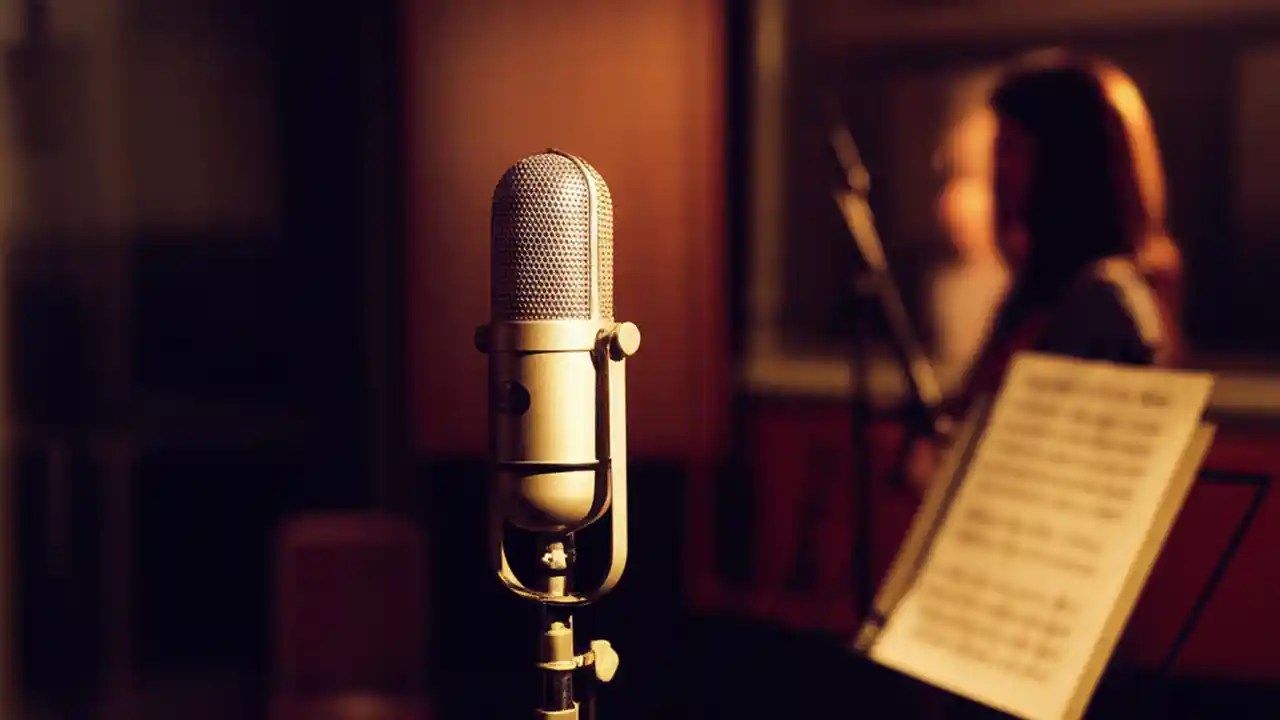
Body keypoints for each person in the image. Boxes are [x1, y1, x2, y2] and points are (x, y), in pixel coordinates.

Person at [909, 50, 1182, 490]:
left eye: (1012, 148)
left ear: (1067, 166)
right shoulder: (1041, 294)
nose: (1000, 171)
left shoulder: (1102, 302)